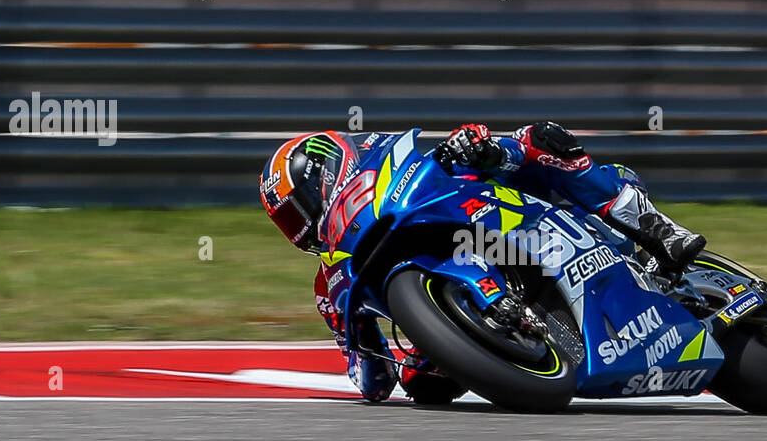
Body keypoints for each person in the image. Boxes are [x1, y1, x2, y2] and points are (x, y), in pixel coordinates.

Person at [259, 121, 706, 402]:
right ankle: (517, 343)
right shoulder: (330, 287)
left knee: (538, 139)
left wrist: (479, 147)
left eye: (300, 208)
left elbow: (475, 154)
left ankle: (657, 227)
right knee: (424, 387)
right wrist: (370, 353)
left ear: (326, 172)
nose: (300, 226)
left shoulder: (391, 161)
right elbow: (371, 379)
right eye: (288, 222)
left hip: (520, 219)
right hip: (465, 311)